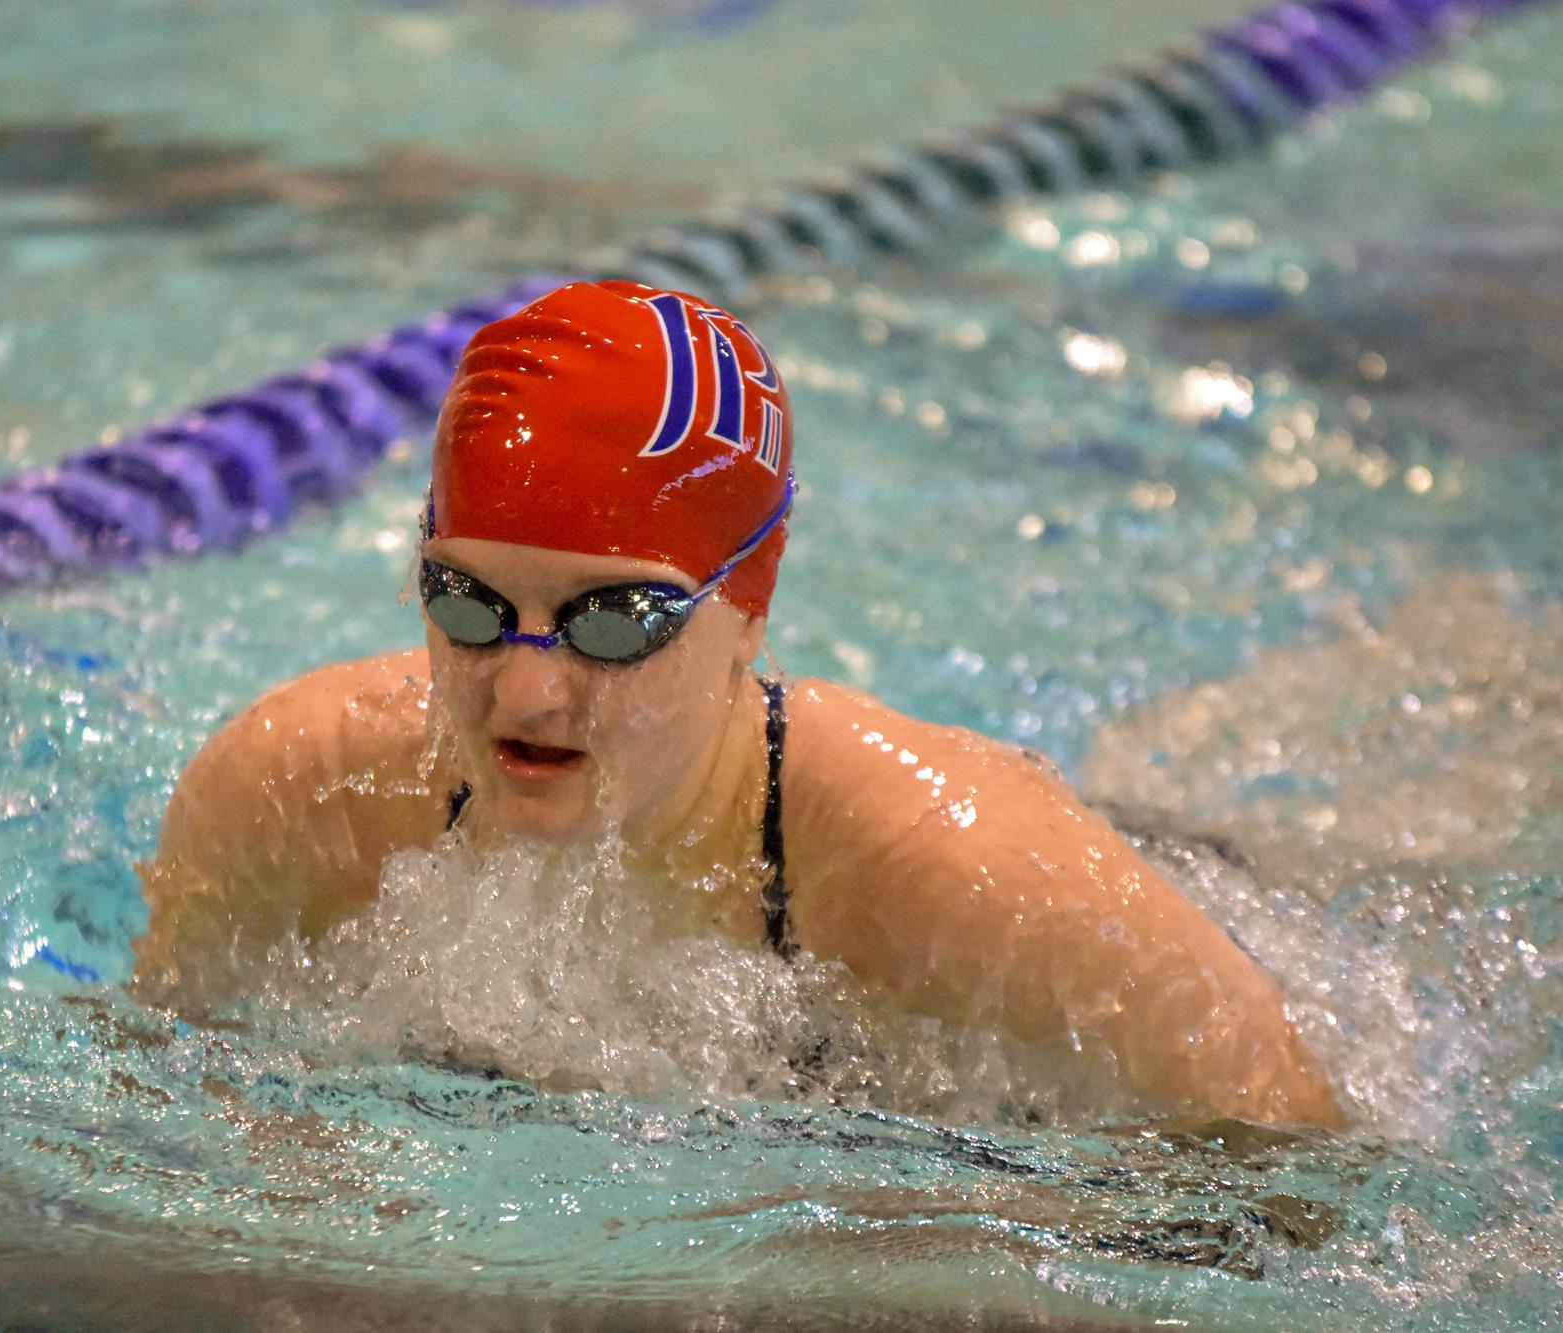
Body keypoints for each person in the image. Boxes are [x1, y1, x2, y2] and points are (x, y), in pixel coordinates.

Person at [133, 280, 1344, 1129]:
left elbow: (1293, 1159)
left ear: (746, 610)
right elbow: (144, 1087)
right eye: (466, 601)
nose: (527, 687)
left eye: (616, 616)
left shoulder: (944, 863)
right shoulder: (302, 790)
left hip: (1256, 881)